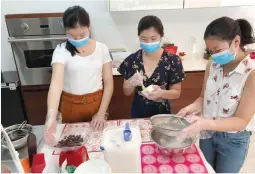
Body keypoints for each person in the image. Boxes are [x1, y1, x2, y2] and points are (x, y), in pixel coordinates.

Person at [178, 17, 255, 173]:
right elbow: (202, 98)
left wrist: (203, 124)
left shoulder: (251, 73)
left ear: (236, 41)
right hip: (207, 134)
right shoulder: (212, 65)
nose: (214, 56)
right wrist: (189, 108)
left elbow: (241, 121)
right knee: (204, 170)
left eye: (218, 50)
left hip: (232, 140)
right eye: (210, 51)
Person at [44, 6, 113, 145]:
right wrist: (51, 115)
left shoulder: (102, 48)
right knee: (71, 144)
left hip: (97, 104)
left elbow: (109, 82)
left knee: (98, 144)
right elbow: (56, 83)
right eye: (72, 36)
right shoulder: (61, 50)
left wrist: (101, 113)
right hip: (71, 106)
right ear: (66, 31)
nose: (77, 39)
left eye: (82, 35)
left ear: (89, 27)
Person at [118, 15, 185, 118]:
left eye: (153, 39)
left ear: (161, 36)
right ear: (139, 37)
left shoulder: (173, 60)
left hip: (163, 114)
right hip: (138, 113)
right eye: (144, 39)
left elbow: (176, 93)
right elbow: (126, 92)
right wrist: (131, 83)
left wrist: (161, 93)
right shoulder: (132, 60)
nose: (149, 43)